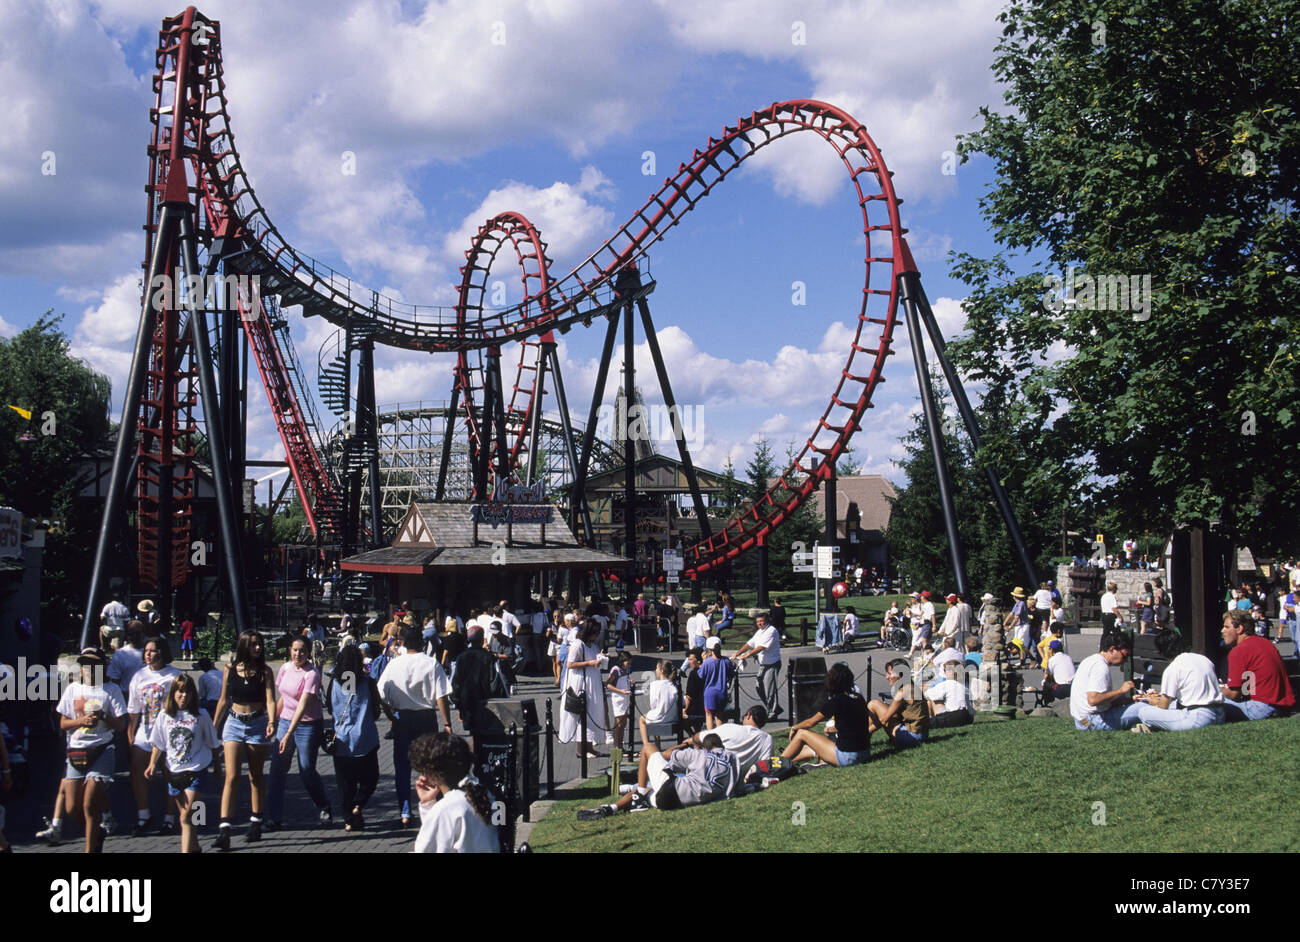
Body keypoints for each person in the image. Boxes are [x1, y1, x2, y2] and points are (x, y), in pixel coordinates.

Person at [41, 648, 127, 852]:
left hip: (102, 749)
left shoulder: (110, 689)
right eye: (85, 665)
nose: (89, 669)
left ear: (102, 666)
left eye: (93, 664)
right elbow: (62, 723)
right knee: (71, 808)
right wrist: (81, 720)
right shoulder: (73, 689)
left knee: (90, 804)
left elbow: (121, 726)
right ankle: (96, 835)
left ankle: (91, 849)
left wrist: (104, 716)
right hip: (76, 750)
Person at [578, 716, 740, 818]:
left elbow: (664, 756)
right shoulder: (733, 760)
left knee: (648, 748)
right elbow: (739, 787)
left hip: (671, 793)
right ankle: (613, 808)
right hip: (680, 803)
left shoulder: (698, 754)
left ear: (704, 747)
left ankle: (637, 797)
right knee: (650, 790)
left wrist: (685, 744)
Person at [381, 624, 455, 826]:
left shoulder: (394, 665)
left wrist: (390, 714)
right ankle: (431, 805)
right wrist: (447, 722)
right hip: (425, 717)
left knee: (402, 766)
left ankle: (405, 810)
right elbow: (441, 695)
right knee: (429, 764)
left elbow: (381, 694)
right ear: (422, 643)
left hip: (402, 717)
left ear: (403, 643)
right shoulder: (431, 664)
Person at [144, 674, 219, 853]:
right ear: (173, 693)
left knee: (187, 815)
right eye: (180, 691)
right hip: (174, 770)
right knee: (186, 816)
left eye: (187, 692)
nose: (183, 696)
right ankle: (195, 846)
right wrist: (152, 763)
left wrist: (217, 764)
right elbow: (158, 743)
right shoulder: (164, 715)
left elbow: (213, 743)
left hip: (196, 768)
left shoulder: (201, 715)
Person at [267, 637, 333, 829]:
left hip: (308, 725)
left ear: (308, 652)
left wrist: (288, 733)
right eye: (295, 650)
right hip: (285, 722)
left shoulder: (311, 674)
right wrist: (271, 720)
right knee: (277, 770)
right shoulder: (286, 668)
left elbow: (302, 706)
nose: (298, 654)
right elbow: (283, 699)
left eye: (302, 651)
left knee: (306, 770)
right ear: (290, 650)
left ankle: (324, 805)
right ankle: (273, 816)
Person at [127, 636, 182, 836]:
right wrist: (130, 731)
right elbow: (133, 709)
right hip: (145, 730)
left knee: (169, 774)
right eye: (146, 651)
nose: (148, 654)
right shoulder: (139, 676)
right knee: (137, 769)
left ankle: (169, 817)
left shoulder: (174, 675)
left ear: (162, 652)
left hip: (168, 732)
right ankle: (143, 815)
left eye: (152, 650)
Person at [411, 733, 499, 853]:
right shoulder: (485, 794)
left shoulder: (446, 809)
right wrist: (428, 804)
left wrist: (430, 807)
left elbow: (427, 848)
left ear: (429, 771)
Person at [326, 644, 381, 832]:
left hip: (341, 739)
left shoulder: (334, 683)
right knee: (370, 778)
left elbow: (331, 708)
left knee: (345, 783)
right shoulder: (368, 682)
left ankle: (348, 817)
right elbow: (376, 710)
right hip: (364, 738)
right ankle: (358, 805)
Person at [784, 663, 871, 767]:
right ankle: (788, 762)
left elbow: (810, 723)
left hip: (848, 757)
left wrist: (794, 728)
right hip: (865, 753)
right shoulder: (858, 697)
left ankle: (776, 765)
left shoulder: (837, 700)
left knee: (802, 734)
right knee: (813, 745)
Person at [1219, 610, 1295, 721]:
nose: (1222, 631)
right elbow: (1250, 687)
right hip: (1281, 707)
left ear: (1239, 629)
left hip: (1261, 709)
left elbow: (1233, 694)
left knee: (1208, 702)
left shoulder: (1239, 651)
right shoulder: (1266, 643)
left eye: (1226, 627)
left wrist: (1214, 689)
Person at [1132, 645, 1225, 731]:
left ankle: (1151, 727)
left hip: (1198, 718)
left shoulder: (1173, 667)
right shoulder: (1204, 659)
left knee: (1143, 712)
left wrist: (1154, 703)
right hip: (1220, 714)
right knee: (1173, 705)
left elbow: (1163, 707)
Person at [1069, 629, 1142, 731]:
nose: (1125, 661)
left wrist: (1129, 700)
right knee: (1141, 708)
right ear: (1112, 649)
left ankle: (1136, 725)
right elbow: (1093, 700)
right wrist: (1121, 690)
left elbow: (1105, 700)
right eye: (1125, 656)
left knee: (1135, 707)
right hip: (1093, 721)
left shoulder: (1091, 660)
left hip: (1081, 721)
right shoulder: (1101, 667)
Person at [558, 620, 608, 759]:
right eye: (594, 633)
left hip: (593, 682)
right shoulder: (578, 644)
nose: (596, 636)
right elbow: (570, 664)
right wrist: (589, 663)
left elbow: (595, 656)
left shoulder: (592, 645)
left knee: (592, 712)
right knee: (582, 714)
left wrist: (600, 658)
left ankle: (590, 747)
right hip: (581, 682)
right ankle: (581, 749)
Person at [683, 705, 772, 773]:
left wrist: (691, 740)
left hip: (713, 771)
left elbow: (700, 737)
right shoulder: (766, 739)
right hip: (739, 779)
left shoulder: (729, 728)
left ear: (748, 715)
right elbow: (766, 764)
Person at [867, 659, 929, 749]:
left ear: (900, 675)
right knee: (876, 706)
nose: (887, 677)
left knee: (873, 704)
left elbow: (884, 720)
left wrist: (863, 733)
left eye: (890, 673)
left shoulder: (903, 692)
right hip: (922, 734)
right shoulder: (912, 687)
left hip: (912, 738)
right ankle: (863, 740)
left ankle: (861, 740)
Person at [452, 626, 499, 744]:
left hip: (467, 701)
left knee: (474, 735)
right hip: (486, 701)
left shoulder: (461, 657)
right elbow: (494, 683)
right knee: (487, 735)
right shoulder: (488, 657)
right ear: (481, 638)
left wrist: (458, 706)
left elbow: (456, 683)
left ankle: (476, 759)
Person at [734, 613, 783, 720]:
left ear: (767, 620)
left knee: (769, 688)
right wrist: (737, 654)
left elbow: (761, 647)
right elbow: (749, 644)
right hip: (763, 664)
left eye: (761, 621)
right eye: (757, 622)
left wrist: (747, 655)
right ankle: (775, 708)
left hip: (772, 664)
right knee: (759, 687)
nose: (759, 623)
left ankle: (773, 712)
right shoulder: (759, 632)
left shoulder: (771, 631)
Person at [698, 636, 736, 730]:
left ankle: (710, 737)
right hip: (722, 692)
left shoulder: (707, 662)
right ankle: (721, 736)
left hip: (710, 692)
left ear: (709, 649)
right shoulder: (726, 661)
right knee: (719, 716)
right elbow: (731, 673)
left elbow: (701, 675)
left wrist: (703, 661)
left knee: (709, 715)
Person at [925, 660, 973, 728]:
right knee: (937, 696)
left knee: (935, 698)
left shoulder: (948, 683)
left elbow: (926, 695)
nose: (944, 672)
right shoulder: (966, 683)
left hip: (954, 717)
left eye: (945, 670)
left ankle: (933, 718)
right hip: (969, 718)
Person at [107, 621, 147, 693]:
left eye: (137, 633)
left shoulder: (150, 652)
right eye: (131, 634)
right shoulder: (120, 654)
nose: (134, 636)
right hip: (126, 695)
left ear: (143, 634)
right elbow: (114, 680)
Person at [605, 651, 632, 750]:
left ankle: (620, 745)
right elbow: (608, 684)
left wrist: (629, 682)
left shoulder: (624, 670)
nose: (629, 665)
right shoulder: (615, 670)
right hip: (618, 699)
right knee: (619, 723)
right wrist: (620, 691)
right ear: (622, 661)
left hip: (625, 699)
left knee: (623, 723)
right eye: (627, 663)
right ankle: (617, 746)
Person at [643, 660, 681, 727]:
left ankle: (646, 738)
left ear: (662, 671)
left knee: (642, 719)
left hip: (659, 716)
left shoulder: (654, 684)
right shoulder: (674, 684)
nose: (656, 670)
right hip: (673, 717)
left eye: (657, 668)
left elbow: (653, 704)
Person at [1041, 639, 1075, 705]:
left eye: (1049, 649)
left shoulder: (1052, 660)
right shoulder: (1068, 657)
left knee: (1046, 683)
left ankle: (1048, 704)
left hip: (1061, 689)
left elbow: (1047, 675)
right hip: (1073, 687)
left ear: (1052, 650)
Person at [681, 648, 706, 735]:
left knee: (680, 720)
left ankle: (693, 737)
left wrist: (685, 709)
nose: (688, 662)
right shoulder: (707, 671)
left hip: (696, 709)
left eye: (691, 659)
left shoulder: (693, 674)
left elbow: (689, 695)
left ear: (698, 661)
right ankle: (696, 736)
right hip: (706, 707)